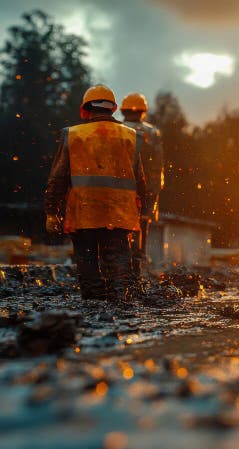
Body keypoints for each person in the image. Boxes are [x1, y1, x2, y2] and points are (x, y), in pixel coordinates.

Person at [44, 84, 151, 302]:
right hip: (119, 212)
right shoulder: (131, 136)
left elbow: (58, 177)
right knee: (119, 259)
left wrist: (51, 212)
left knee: (87, 258)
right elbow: (141, 179)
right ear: (112, 108)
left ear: (86, 108)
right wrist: (146, 209)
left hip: (84, 211)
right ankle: (122, 302)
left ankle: (93, 304)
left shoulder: (73, 134)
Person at [120, 92, 164, 275]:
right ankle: (138, 265)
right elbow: (158, 165)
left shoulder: (118, 130)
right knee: (142, 226)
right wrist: (153, 192)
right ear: (143, 112)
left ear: (123, 111)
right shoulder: (153, 133)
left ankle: (121, 265)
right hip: (145, 189)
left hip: (119, 188)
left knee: (119, 226)